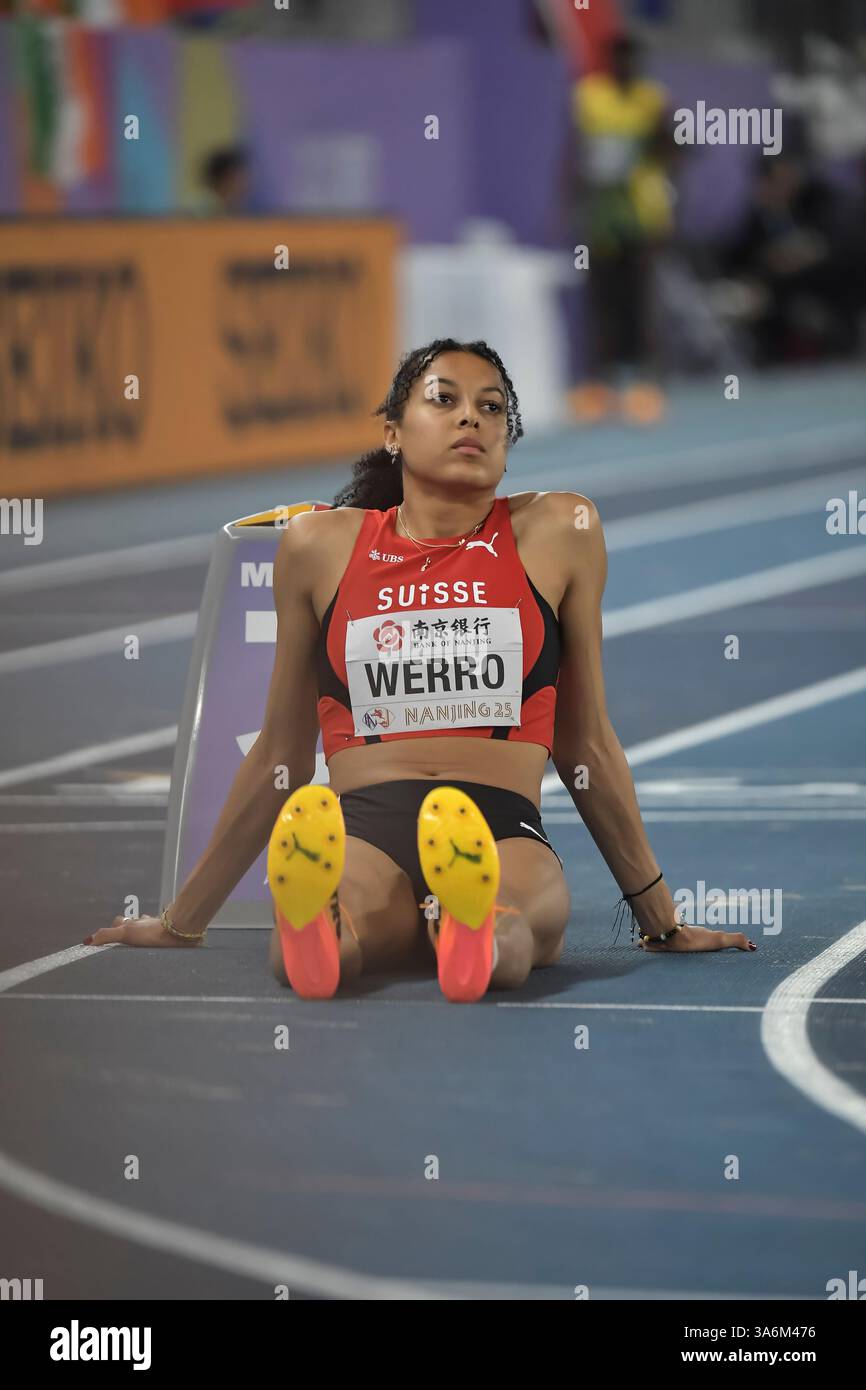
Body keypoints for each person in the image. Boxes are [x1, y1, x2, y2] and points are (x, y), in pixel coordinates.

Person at [85, 339, 758, 1000]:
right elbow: (282, 755)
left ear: (507, 439)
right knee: (408, 927)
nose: (473, 417)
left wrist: (662, 921)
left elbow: (585, 744)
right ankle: (361, 928)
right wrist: (180, 920)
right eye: (445, 400)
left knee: (511, 924)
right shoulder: (319, 546)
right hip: (365, 824)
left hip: (495, 823)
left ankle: (462, 929)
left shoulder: (557, 529)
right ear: (393, 433)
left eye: (493, 408)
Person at [569, 32, 675, 424]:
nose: (626, 68)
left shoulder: (653, 100)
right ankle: (602, 388)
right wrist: (570, 206)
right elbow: (575, 153)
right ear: (611, 62)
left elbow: (675, 150)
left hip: (643, 214)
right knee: (603, 303)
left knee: (641, 302)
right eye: (620, 60)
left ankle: (645, 388)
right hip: (602, 217)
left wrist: (656, 138)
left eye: (633, 61)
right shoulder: (590, 97)